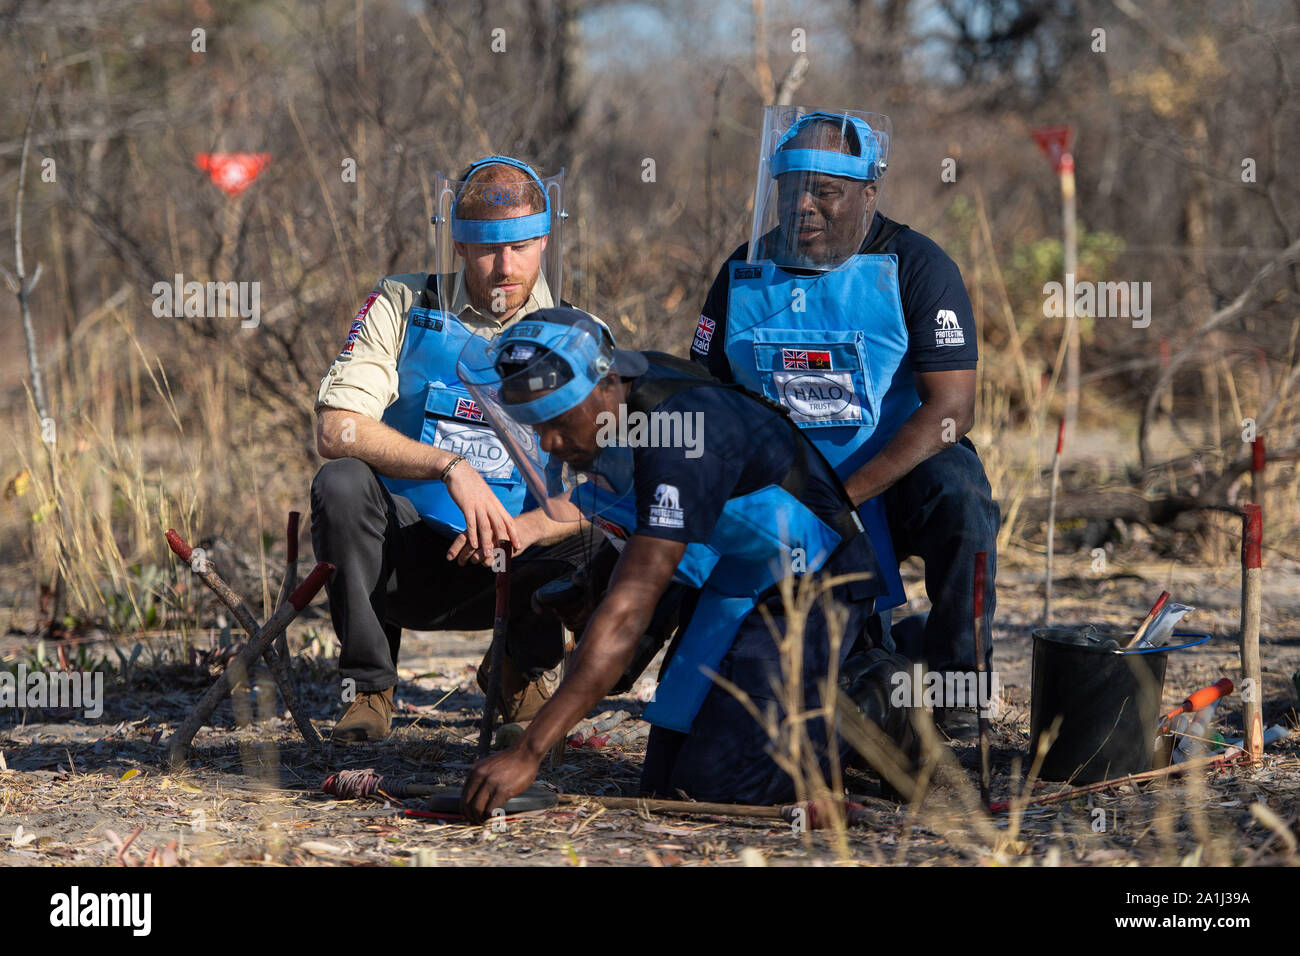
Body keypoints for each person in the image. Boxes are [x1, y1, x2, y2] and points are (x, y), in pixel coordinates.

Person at [453, 307, 889, 818]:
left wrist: (529, 751)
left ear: (607, 384)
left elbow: (631, 607)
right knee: (667, 783)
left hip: (818, 572)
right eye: (534, 425)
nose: (548, 443)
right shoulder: (624, 395)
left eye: (558, 421)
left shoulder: (681, 433)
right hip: (735, 571)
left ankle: (876, 702)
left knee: (727, 788)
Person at [689, 107, 1000, 731]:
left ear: (868, 193)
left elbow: (952, 411)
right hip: (787, 486)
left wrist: (841, 498)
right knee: (850, 687)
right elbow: (704, 393)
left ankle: (961, 686)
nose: (803, 206)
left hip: (889, 470)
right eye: (790, 189)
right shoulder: (744, 270)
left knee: (962, 498)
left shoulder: (916, 264)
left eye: (824, 191)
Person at [311, 155, 597, 743]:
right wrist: (451, 467)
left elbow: (609, 484)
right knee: (340, 483)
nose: (504, 266)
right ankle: (370, 686)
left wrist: (528, 529)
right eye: (487, 248)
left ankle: (523, 669)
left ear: (545, 238)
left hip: (513, 564)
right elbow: (335, 429)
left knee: (603, 533)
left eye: (520, 246)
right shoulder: (403, 303)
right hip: (408, 558)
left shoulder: (577, 332)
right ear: (459, 246)